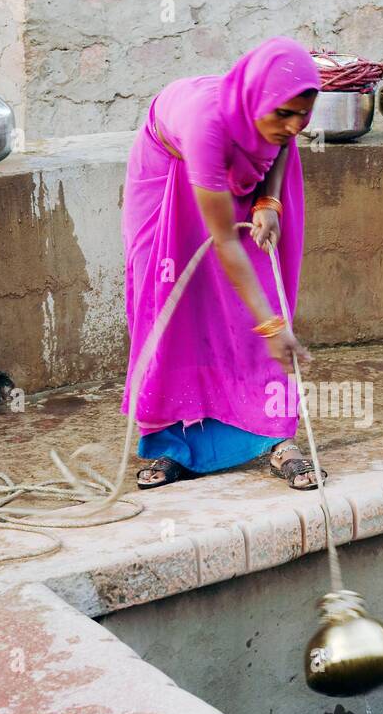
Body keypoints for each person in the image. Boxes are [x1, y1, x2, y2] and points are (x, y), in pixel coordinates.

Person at [121, 37, 327, 489]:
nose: (295, 125)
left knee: (261, 294)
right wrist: (274, 329)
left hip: (237, 167)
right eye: (284, 113)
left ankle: (276, 435)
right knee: (173, 305)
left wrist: (269, 200)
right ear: (257, 103)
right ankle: (171, 445)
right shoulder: (206, 126)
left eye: (304, 114)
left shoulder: (272, 117)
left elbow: (282, 143)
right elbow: (224, 245)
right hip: (169, 171)